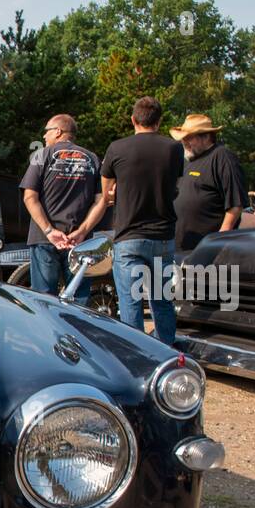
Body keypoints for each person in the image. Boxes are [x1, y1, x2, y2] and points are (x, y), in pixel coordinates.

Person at [83, 96, 183, 344]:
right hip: (163, 235)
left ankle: (135, 356)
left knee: (130, 303)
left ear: (133, 120)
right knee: (161, 301)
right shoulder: (174, 148)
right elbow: (174, 185)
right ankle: (166, 352)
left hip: (129, 235)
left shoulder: (117, 148)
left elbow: (107, 193)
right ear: (159, 121)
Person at [20, 114, 104, 303]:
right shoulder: (92, 158)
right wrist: (82, 231)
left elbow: (29, 197)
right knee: (78, 302)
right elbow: (101, 200)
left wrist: (49, 231)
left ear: (58, 132)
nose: (44, 137)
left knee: (44, 301)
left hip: (44, 239)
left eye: (46, 131)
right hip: (79, 242)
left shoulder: (41, 155)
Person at [170, 113, 247, 258]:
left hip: (209, 253)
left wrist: (219, 242)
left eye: (189, 137)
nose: (184, 142)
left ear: (206, 137)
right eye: (183, 138)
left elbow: (235, 204)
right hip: (182, 250)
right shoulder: (188, 162)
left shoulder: (222, 157)